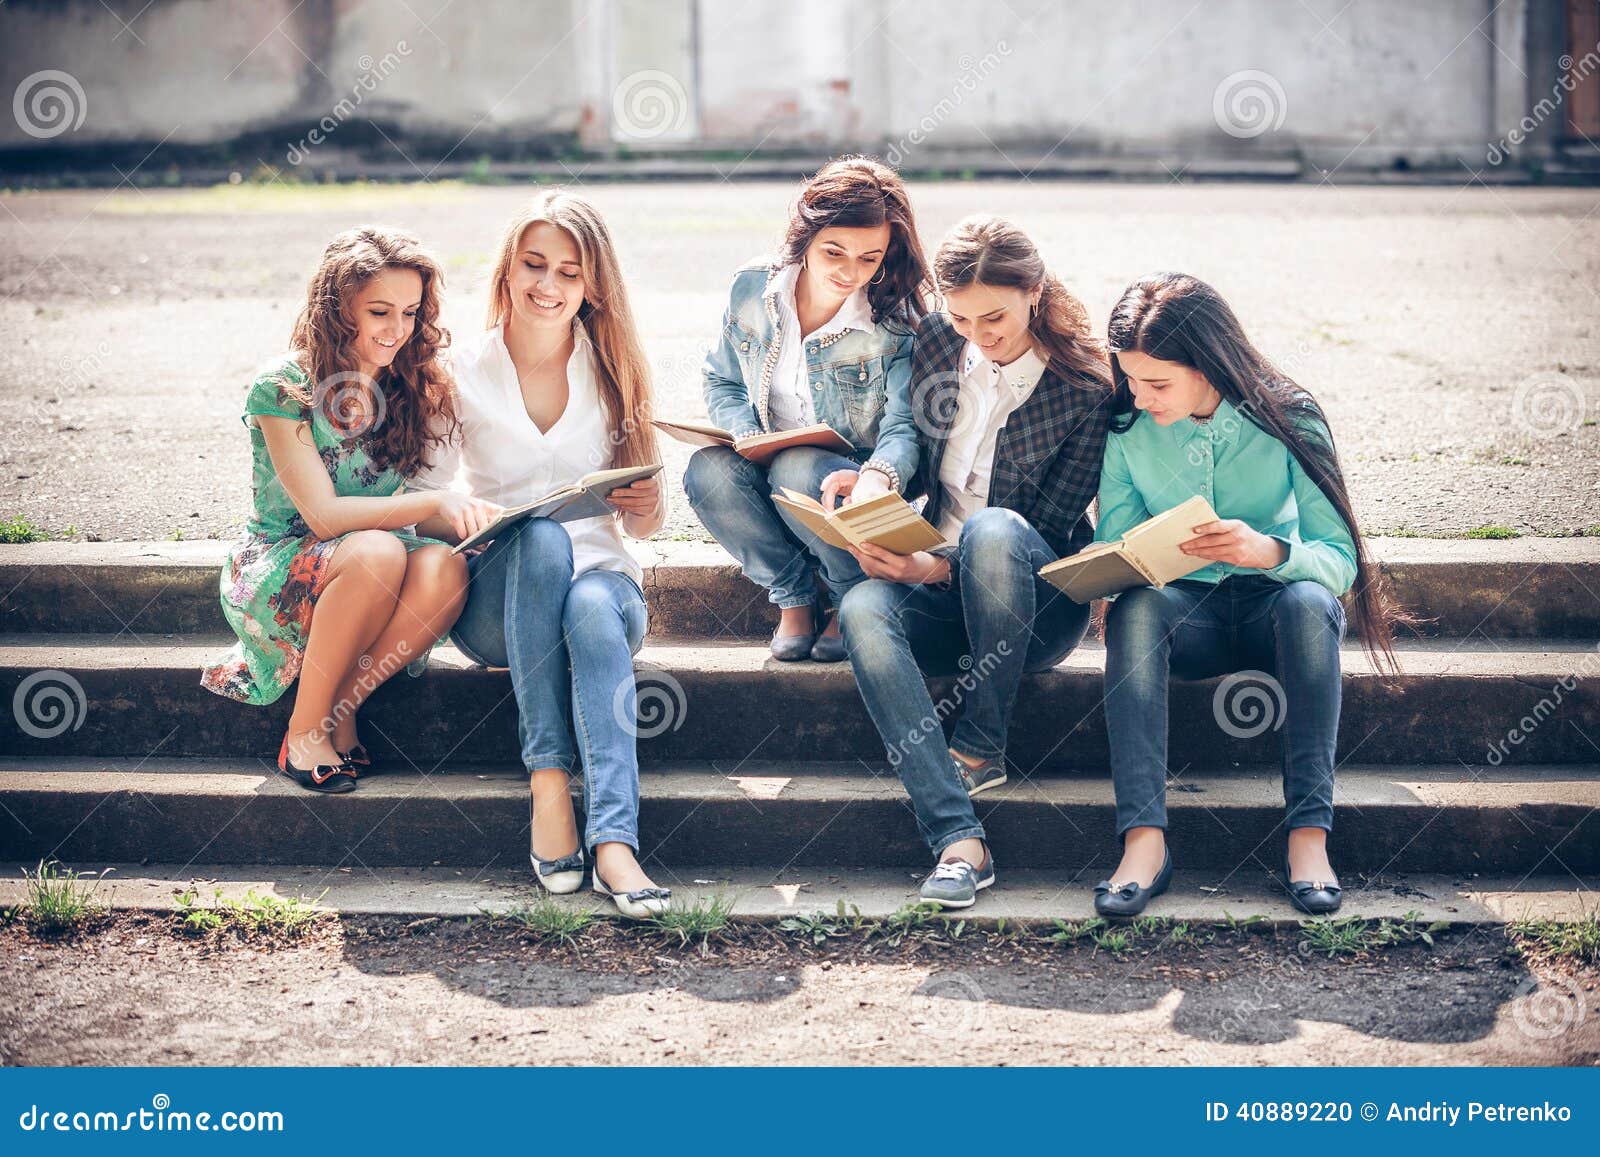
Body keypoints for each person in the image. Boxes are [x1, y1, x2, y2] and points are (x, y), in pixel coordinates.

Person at [1092, 272, 1398, 918]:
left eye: (1157, 383)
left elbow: (1339, 561)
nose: (1140, 398)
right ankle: (1144, 842)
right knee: (1136, 610)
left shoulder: (1292, 415)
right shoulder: (1128, 427)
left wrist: (1269, 551)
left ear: (1207, 365)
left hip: (1272, 609)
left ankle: (1308, 838)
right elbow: (1115, 541)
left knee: (1311, 604)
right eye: (1131, 380)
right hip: (1183, 614)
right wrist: (1106, 572)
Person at [834, 214, 1113, 909]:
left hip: (1033, 603)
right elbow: (905, 435)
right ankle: (959, 837)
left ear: (1036, 292)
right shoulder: (936, 342)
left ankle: (982, 742)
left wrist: (936, 568)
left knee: (991, 531)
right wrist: (878, 482)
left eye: (994, 317)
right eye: (962, 318)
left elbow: (1042, 528)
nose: (979, 335)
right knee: (863, 606)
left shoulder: (1085, 388)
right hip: (938, 590)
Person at [410, 192, 672, 918]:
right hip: (502, 599)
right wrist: (460, 512)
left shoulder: (614, 367)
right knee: (543, 538)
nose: (548, 286)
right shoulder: (457, 371)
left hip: (604, 587)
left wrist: (649, 507)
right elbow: (421, 500)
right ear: (508, 267)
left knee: (590, 605)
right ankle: (549, 780)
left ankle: (615, 842)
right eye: (534, 264)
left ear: (592, 287)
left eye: (569, 272)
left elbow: (645, 523)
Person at [202, 226, 488, 794]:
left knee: (446, 567)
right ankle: (304, 731)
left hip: (365, 554)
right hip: (282, 562)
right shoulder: (282, 388)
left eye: (410, 312)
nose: (397, 330)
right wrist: (432, 500)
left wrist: (476, 517)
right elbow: (324, 519)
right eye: (380, 311)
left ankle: (340, 710)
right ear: (338, 310)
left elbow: (405, 515)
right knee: (380, 551)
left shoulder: (413, 384)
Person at [682, 156, 929, 661]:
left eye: (869, 258)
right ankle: (793, 597)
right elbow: (722, 379)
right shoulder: (752, 288)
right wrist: (744, 434)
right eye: (834, 252)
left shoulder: (896, 323)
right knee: (706, 471)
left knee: (798, 466)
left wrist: (875, 479)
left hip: (845, 484)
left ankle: (845, 595)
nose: (849, 272)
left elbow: (903, 427)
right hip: (765, 462)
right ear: (805, 237)